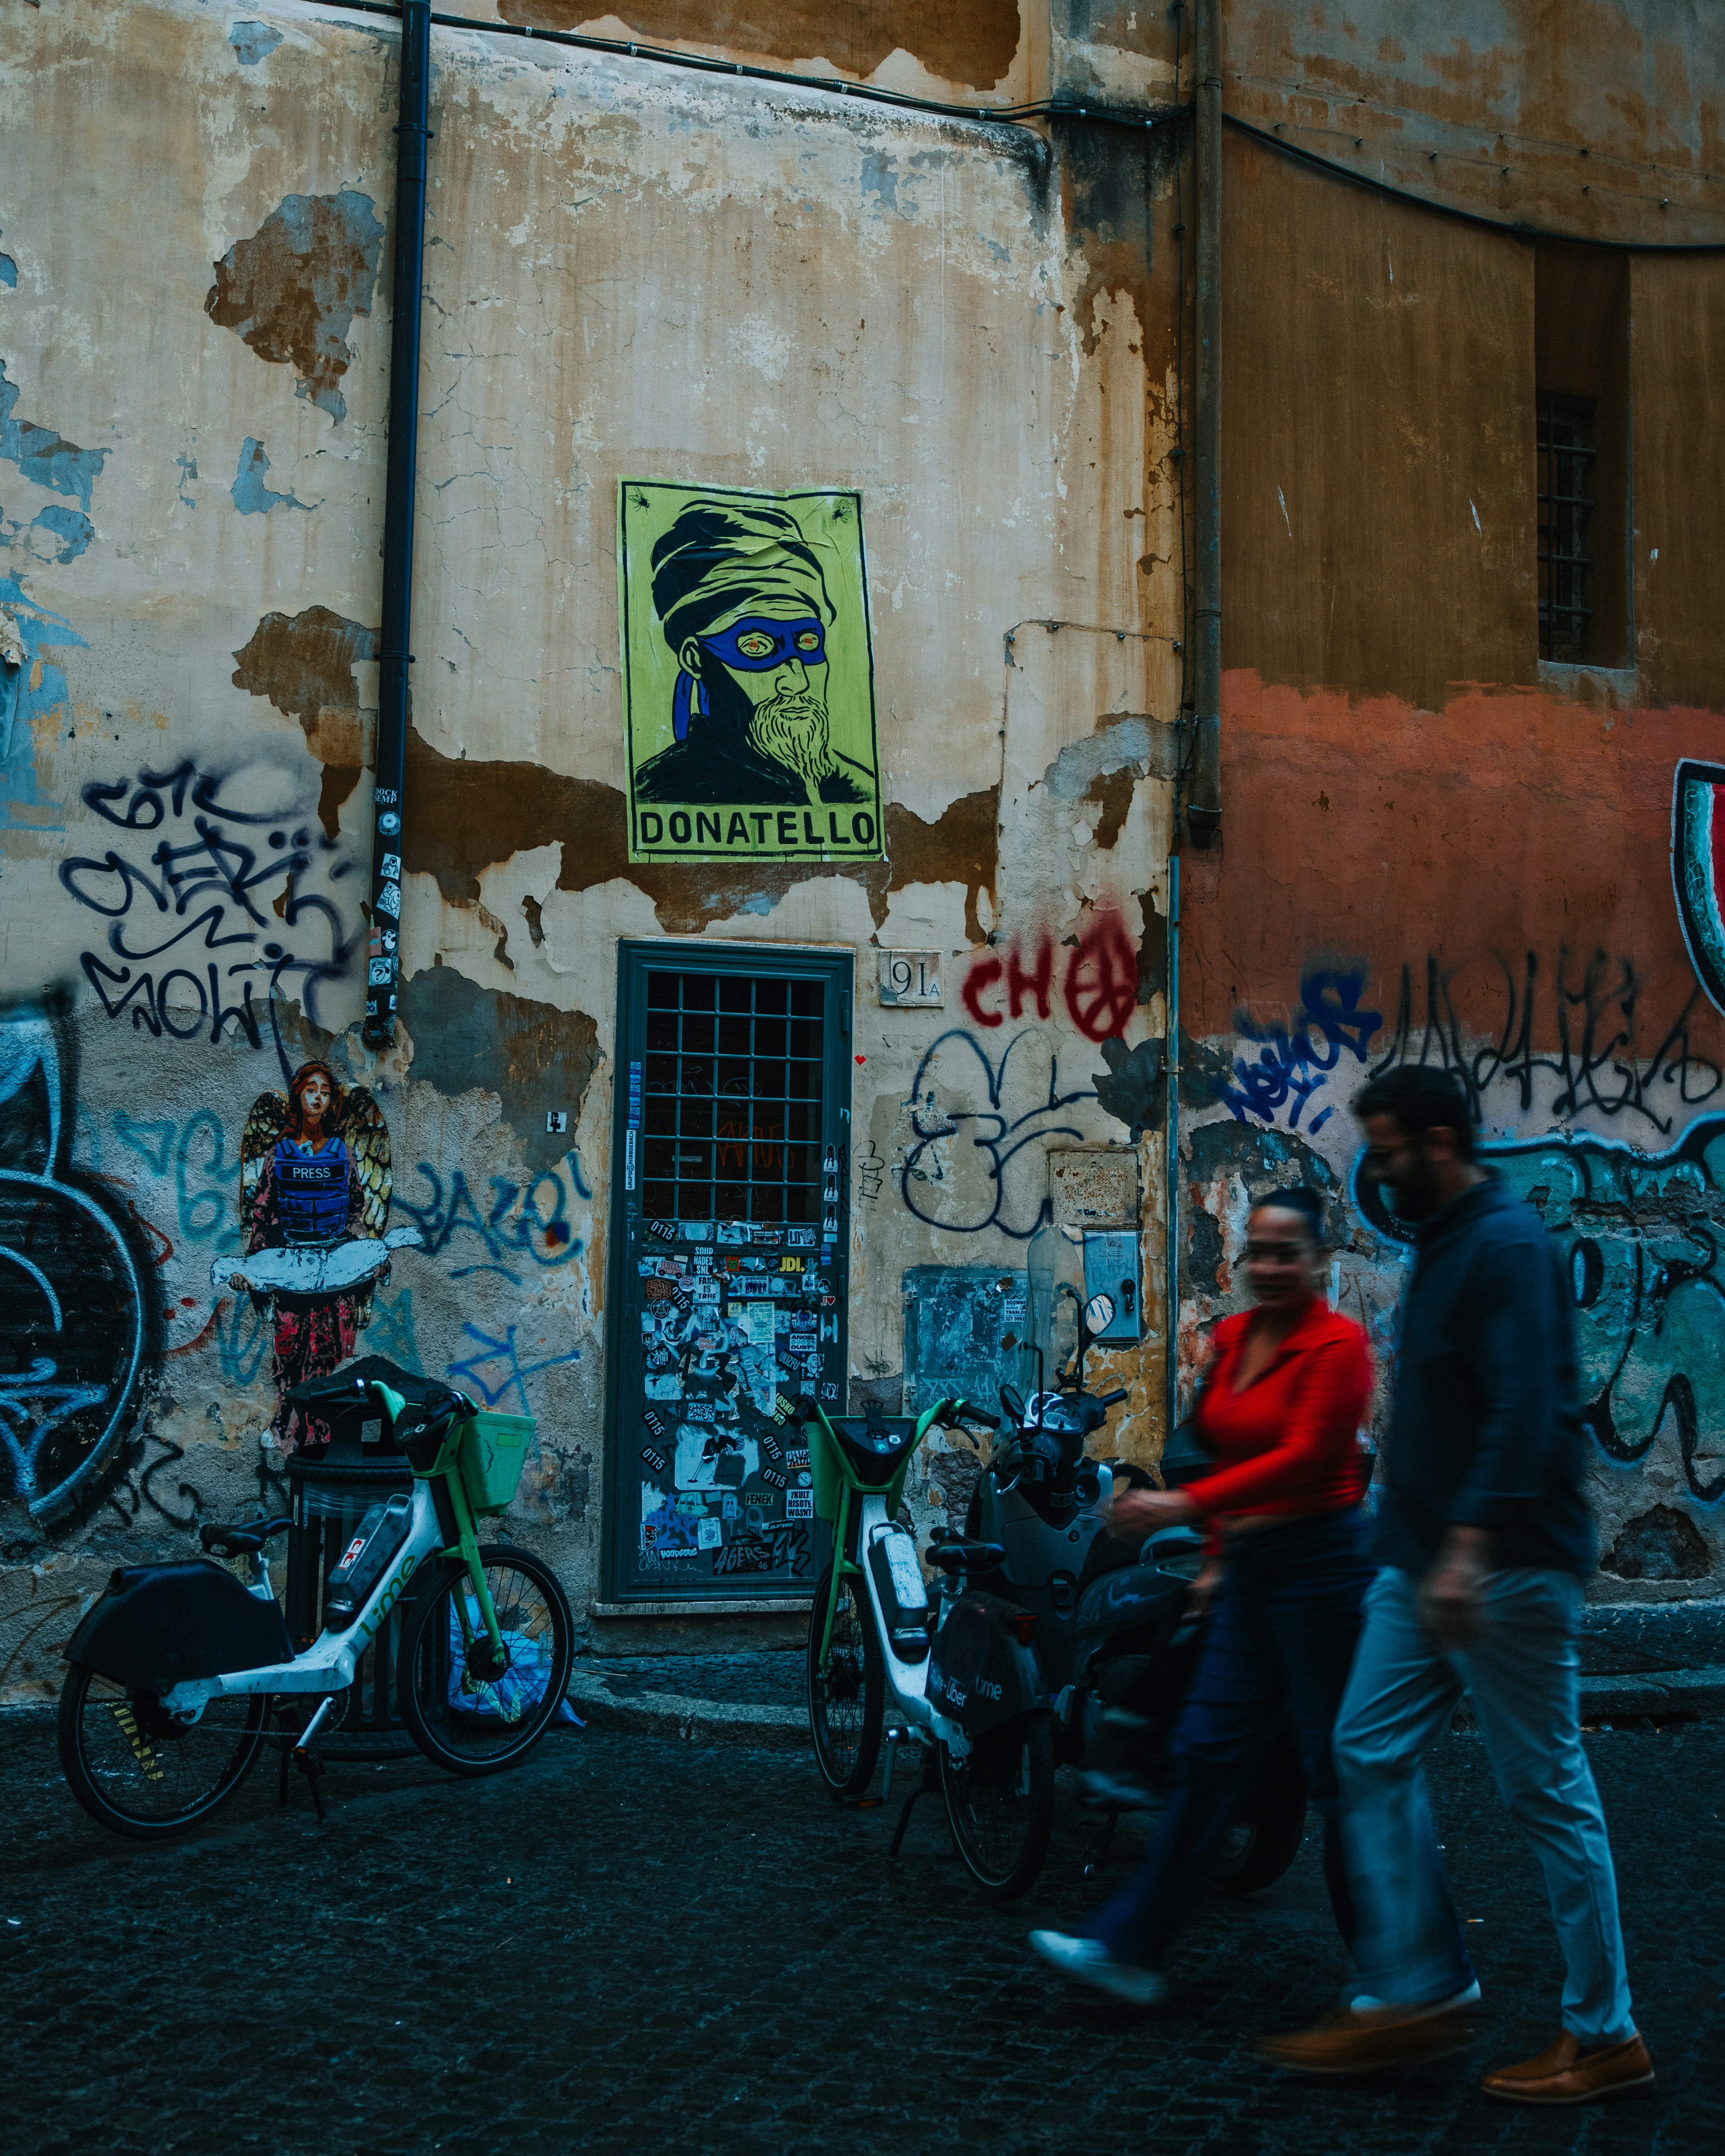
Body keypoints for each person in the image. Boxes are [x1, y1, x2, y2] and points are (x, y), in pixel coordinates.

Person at [1261, 1066, 1652, 2106]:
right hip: (1422, 1561)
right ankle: (1414, 1987)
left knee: (1546, 1788)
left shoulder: (1506, 1245)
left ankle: (1604, 2031)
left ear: (1438, 1142)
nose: (1377, 1171)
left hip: (1500, 1567)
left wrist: (1466, 1549)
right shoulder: (1440, 1237)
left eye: (1389, 1150)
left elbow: (1524, 1411)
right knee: (1363, 1744)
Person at [1031, 1188, 1375, 2005]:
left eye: (1288, 1252)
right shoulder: (1234, 1339)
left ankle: (1395, 1971)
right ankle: (1130, 1949)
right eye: (1259, 1250)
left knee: (1338, 1779)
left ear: (1319, 1260)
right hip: (1247, 1573)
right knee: (1205, 1758)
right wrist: (1217, 1559)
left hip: (1321, 1576)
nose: (1270, 1266)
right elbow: (1221, 1450)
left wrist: (1181, 1510)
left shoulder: (1339, 1347)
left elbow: (1301, 1460)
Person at [633, 499, 874, 808]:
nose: (797, 683)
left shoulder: (858, 791)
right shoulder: (662, 793)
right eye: (757, 646)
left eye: (808, 642)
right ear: (695, 658)